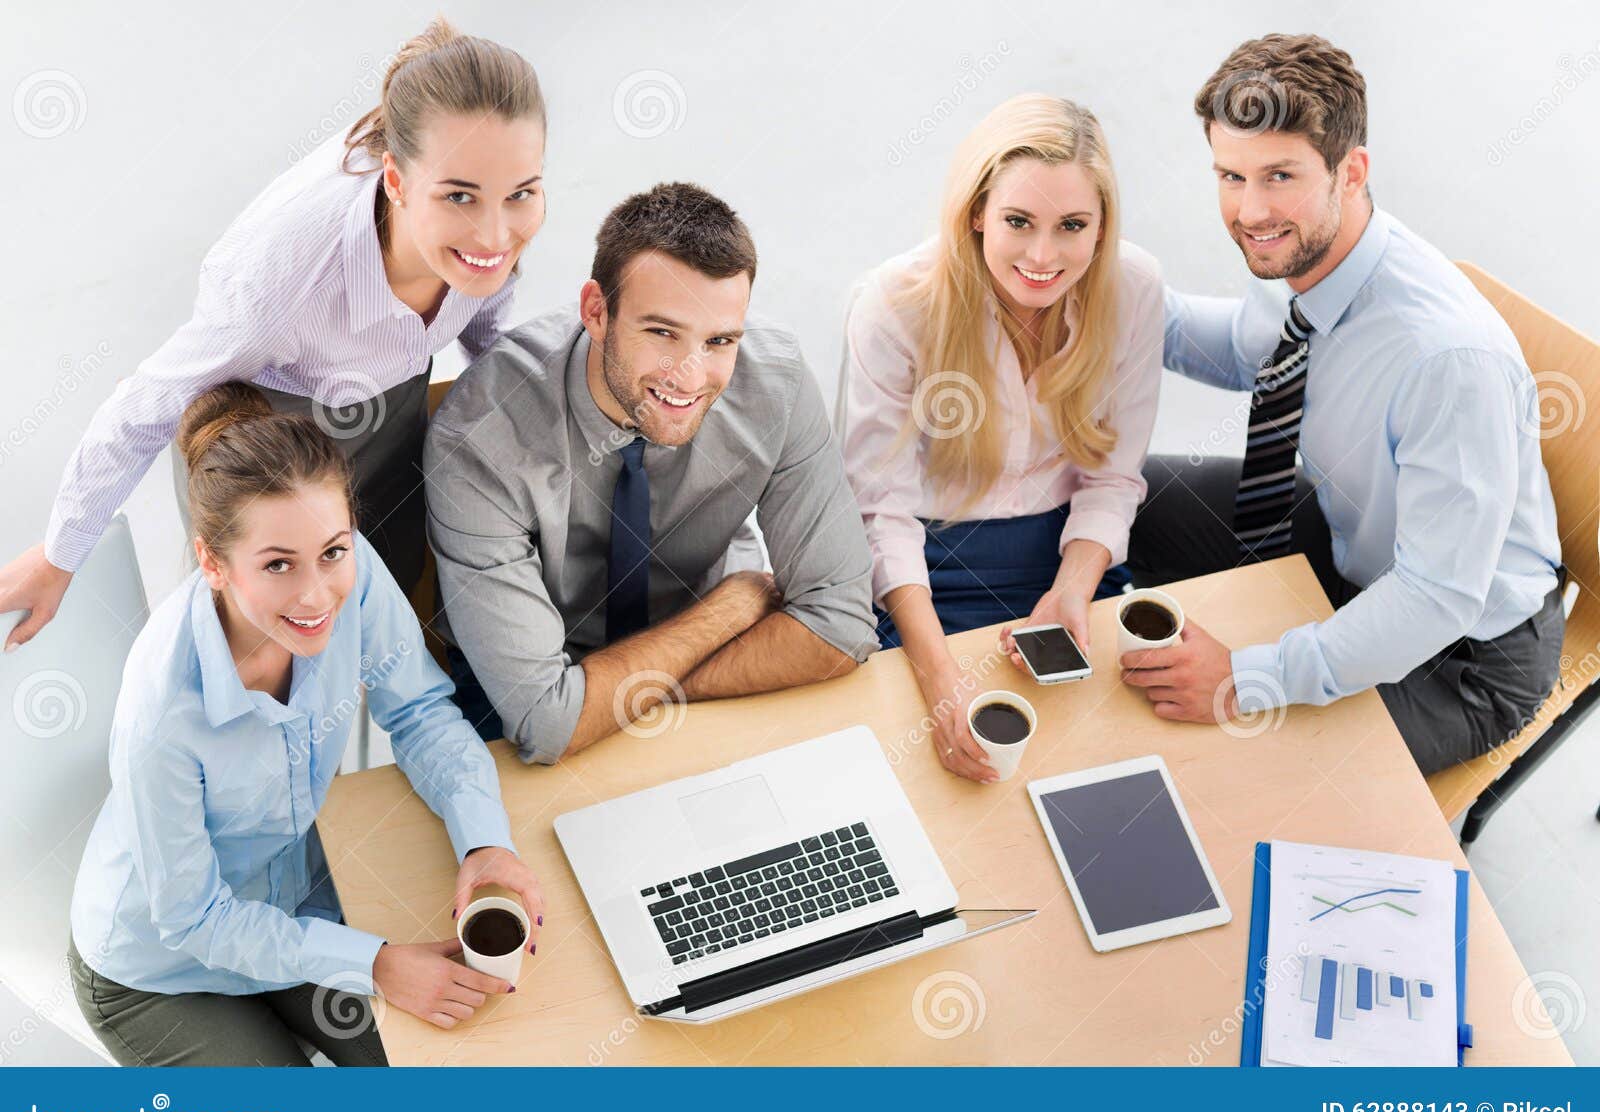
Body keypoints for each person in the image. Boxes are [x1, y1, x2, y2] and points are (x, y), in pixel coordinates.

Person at [0, 17, 547, 646]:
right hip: (265, 428)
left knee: (385, 624)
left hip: (388, 408)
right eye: (459, 197)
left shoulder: (492, 227)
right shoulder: (279, 280)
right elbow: (144, 406)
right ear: (396, 182)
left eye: (522, 194)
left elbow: (486, 317)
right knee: (273, 641)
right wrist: (60, 557)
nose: (496, 235)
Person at [1123, 34, 1564, 774]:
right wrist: (1112, 298)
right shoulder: (1301, 254)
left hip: (1465, 656)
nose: (1250, 210)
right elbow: (1248, 351)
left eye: (1279, 175)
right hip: (1348, 537)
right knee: (1125, 500)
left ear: (1350, 171)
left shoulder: (1447, 360)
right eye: (1230, 175)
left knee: (1249, 767)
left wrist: (1246, 678)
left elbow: (1434, 597)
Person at [68, 384, 544, 1066]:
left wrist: (484, 843)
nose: (317, 594)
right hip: (159, 968)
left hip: (294, 902)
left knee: (440, 1070)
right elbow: (196, 919)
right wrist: (376, 963)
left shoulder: (352, 573)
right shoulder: (161, 712)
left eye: (332, 550)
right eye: (277, 565)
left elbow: (418, 712)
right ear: (212, 562)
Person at [425, 182, 879, 765]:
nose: (690, 377)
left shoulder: (779, 382)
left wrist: (636, 693)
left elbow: (841, 628)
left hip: (706, 659)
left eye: (719, 340)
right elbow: (546, 721)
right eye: (662, 333)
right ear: (596, 311)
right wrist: (733, 608)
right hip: (542, 672)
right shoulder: (482, 435)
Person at [839, 94, 1162, 784]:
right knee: (939, 770)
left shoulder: (1134, 289)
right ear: (978, 211)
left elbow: (1112, 478)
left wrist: (1074, 585)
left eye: (1072, 225)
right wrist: (939, 678)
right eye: (1019, 221)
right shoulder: (895, 306)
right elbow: (879, 512)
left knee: (1107, 761)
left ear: (1102, 228)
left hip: (1065, 556)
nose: (1043, 256)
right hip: (926, 574)